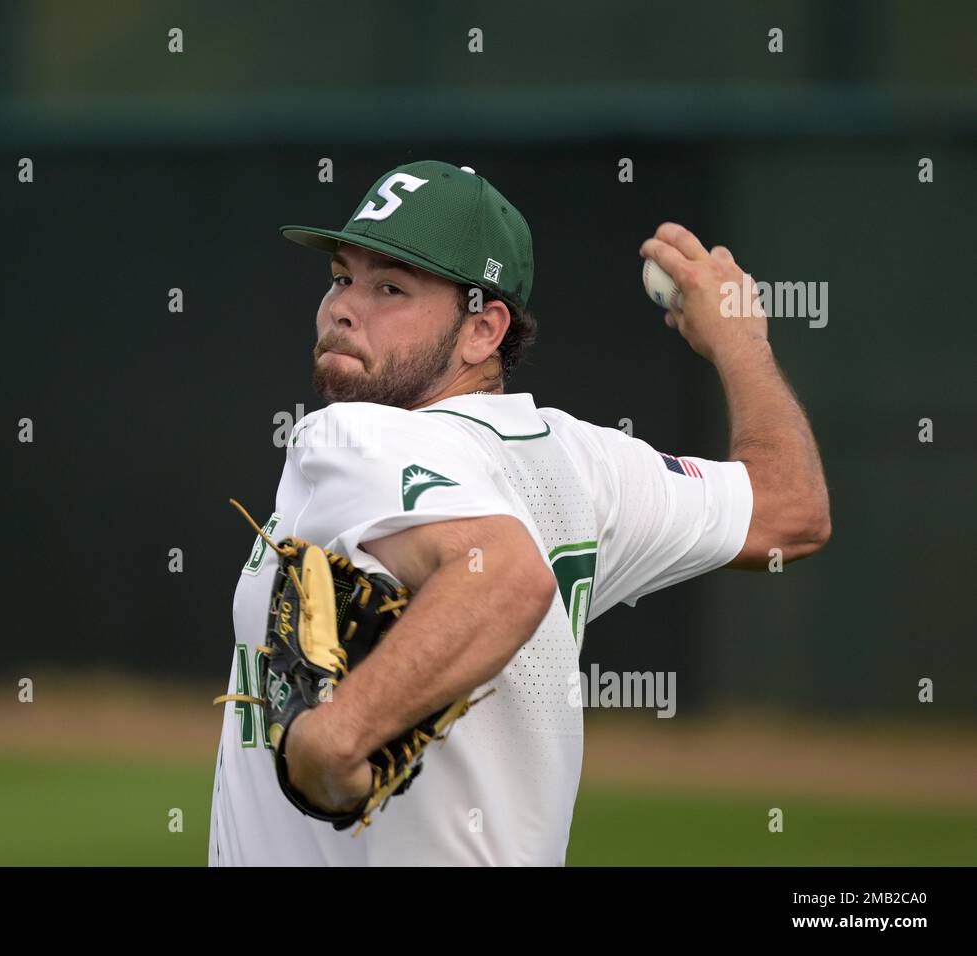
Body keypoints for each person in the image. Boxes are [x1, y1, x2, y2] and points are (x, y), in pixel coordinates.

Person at [208, 159, 830, 866]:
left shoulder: (356, 434)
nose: (344, 307)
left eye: (391, 287)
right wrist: (742, 344)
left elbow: (505, 577)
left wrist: (336, 737)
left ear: (483, 330)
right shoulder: (583, 463)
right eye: (342, 277)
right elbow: (791, 510)